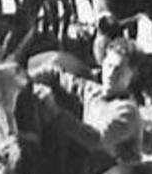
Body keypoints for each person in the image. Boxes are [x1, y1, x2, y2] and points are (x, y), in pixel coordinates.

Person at [31, 35, 144, 165]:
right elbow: (58, 75)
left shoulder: (127, 111)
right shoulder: (93, 92)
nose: (110, 74)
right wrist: (25, 80)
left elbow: (95, 140)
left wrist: (54, 111)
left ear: (132, 75)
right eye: (108, 65)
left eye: (118, 69)